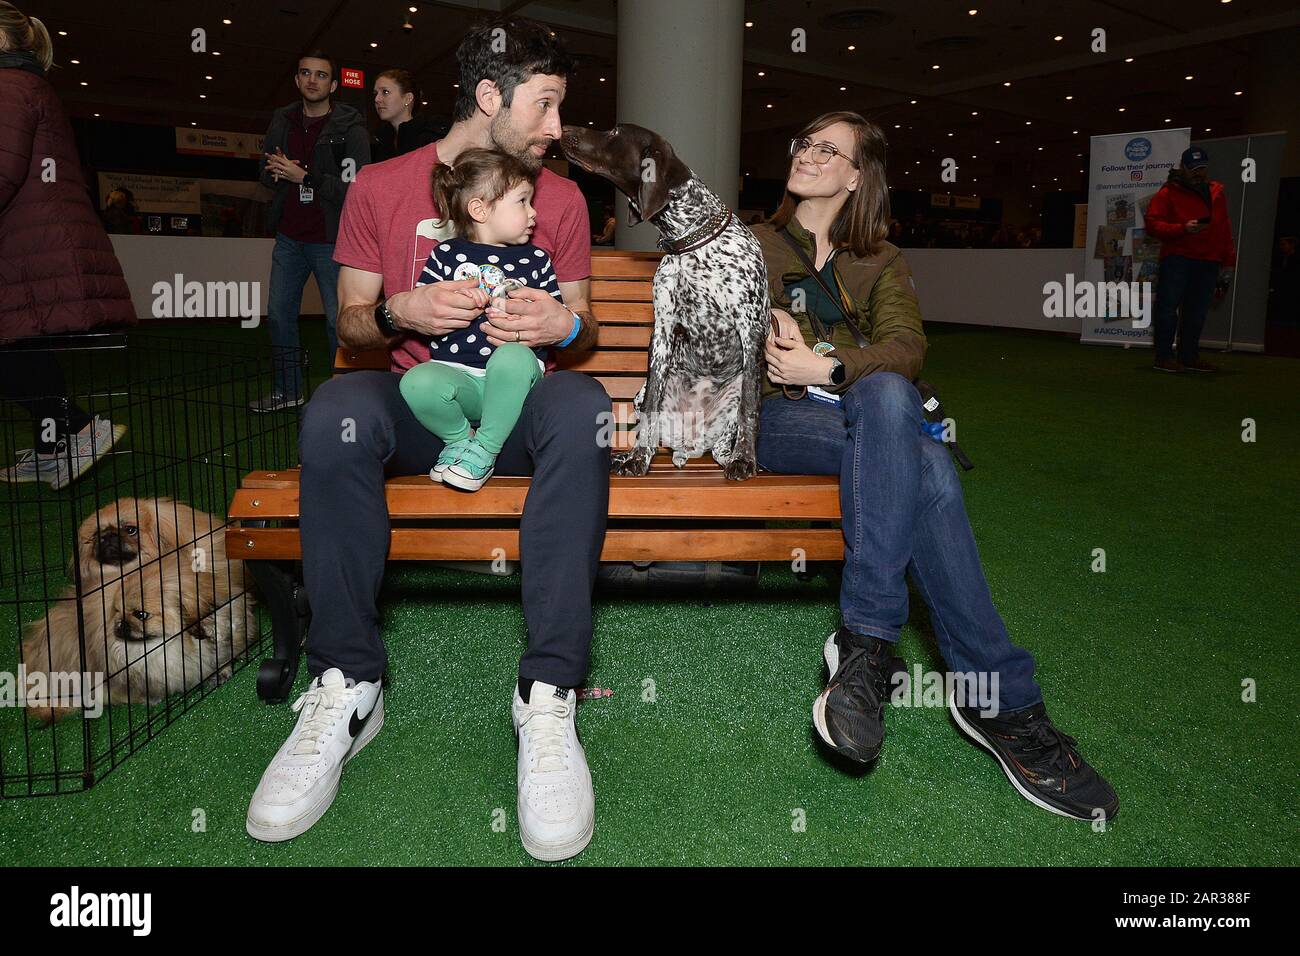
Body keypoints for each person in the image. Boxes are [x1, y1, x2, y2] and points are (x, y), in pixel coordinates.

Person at [244, 16, 607, 862]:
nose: (559, 130)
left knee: (583, 402)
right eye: (546, 106)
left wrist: (563, 321)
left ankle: (550, 694)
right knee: (340, 408)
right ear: (490, 97)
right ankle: (348, 683)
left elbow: (580, 327)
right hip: (426, 407)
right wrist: (404, 311)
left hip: (517, 408)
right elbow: (357, 322)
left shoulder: (560, 198)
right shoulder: (381, 184)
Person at [751, 111, 1118, 823]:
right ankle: (1000, 703)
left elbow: (905, 349)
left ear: (858, 175)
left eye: (829, 150)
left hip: (865, 411)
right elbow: (722, 316)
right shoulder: (753, 243)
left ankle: (865, 652)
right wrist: (773, 328)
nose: (808, 155)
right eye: (804, 142)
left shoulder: (881, 258)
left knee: (891, 403)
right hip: (784, 417)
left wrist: (828, 362)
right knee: (923, 462)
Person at [0, 1, 133, 489]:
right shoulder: (27, 84)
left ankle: (76, 428)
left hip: (27, 241)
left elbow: (3, 170)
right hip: (30, 239)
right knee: (19, 342)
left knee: (13, 347)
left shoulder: (9, 88)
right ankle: (53, 443)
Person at [401, 150, 559, 491]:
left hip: (517, 379)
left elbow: (552, 318)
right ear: (480, 209)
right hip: (463, 380)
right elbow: (424, 305)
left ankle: (485, 449)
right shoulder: (445, 255)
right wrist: (454, 300)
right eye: (522, 202)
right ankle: (460, 441)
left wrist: (524, 306)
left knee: (512, 355)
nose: (534, 213)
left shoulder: (537, 260)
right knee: (416, 381)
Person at [251, 49, 370, 412]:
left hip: (332, 240)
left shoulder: (351, 128)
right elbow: (264, 172)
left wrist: (305, 177)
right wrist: (274, 171)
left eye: (320, 75)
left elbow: (356, 190)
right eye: (305, 73)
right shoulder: (282, 120)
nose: (312, 80)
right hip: (288, 236)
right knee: (279, 316)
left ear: (333, 85)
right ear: (297, 79)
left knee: (339, 323)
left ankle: (346, 398)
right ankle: (288, 392)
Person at [1144, 146, 1237, 373]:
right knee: (1167, 308)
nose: (1198, 172)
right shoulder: (1168, 193)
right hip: (1178, 258)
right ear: (1183, 167)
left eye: (1202, 168)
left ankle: (1189, 357)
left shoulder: (1216, 193)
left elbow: (1224, 229)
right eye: (1194, 168)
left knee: (1197, 311)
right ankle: (1163, 357)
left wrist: (1228, 261)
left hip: (1209, 260)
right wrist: (1182, 229)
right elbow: (1152, 224)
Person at [371, 68, 447, 163]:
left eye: (385, 92)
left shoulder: (430, 139)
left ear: (408, 99)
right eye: (375, 93)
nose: (377, 99)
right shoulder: (382, 140)